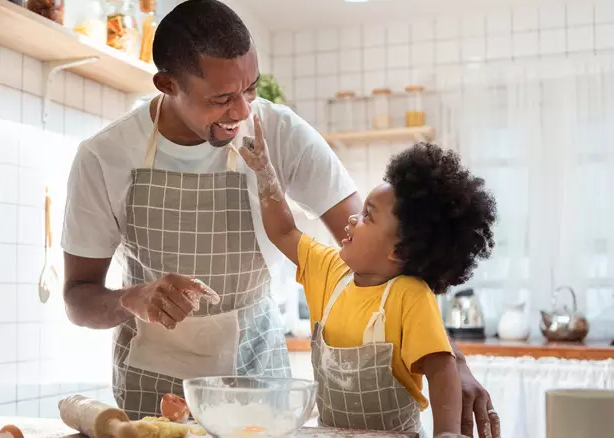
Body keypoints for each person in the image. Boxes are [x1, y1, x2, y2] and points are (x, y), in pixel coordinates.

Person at [60, 1, 501, 436]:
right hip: (150, 392)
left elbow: (391, 257)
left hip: (258, 387)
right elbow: (77, 298)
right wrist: (131, 298)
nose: (242, 112)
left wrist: (451, 360)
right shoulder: (104, 157)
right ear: (167, 83)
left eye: (249, 90)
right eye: (221, 99)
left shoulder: (281, 134)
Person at [239, 121, 496, 436]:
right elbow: (283, 231)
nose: (352, 219)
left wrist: (447, 432)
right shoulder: (329, 269)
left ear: (398, 251)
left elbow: (440, 367)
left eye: (367, 216)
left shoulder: (409, 295)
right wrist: (265, 172)